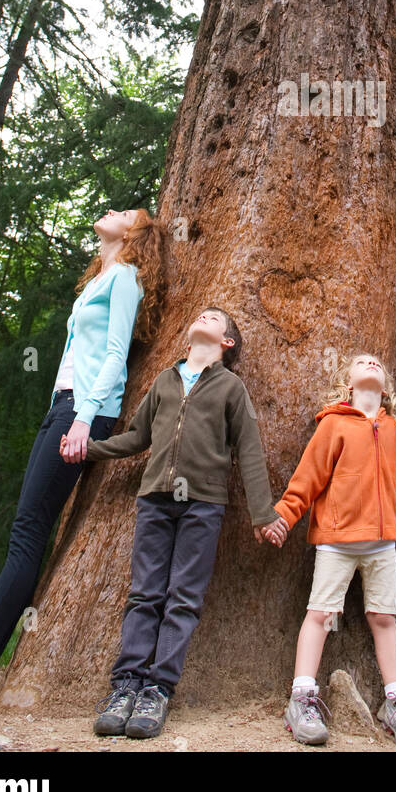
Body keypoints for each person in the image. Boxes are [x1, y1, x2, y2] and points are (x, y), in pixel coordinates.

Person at [0, 206, 167, 711]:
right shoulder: (99, 279)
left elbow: (115, 354)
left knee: (27, 535)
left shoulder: (126, 278)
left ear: (135, 233)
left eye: (125, 211)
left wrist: (85, 419)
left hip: (82, 411)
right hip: (63, 407)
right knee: (29, 532)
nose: (112, 209)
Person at [86, 307, 281, 741]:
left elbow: (248, 451)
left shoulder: (231, 387)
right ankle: (125, 687)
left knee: (183, 599)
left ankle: (157, 689)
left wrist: (263, 513)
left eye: (215, 317)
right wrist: (90, 450)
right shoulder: (164, 380)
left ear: (226, 342)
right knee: (144, 594)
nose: (204, 316)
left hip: (203, 505)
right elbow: (137, 437)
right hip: (155, 499)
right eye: (201, 313)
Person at [264, 352, 396, 751]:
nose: (372, 364)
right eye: (362, 362)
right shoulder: (333, 425)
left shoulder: (393, 428)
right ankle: (302, 696)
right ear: (348, 384)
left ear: (386, 386)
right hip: (336, 541)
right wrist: (283, 516)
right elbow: (307, 480)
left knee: (383, 617)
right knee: (322, 614)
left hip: (382, 544)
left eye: (377, 363)